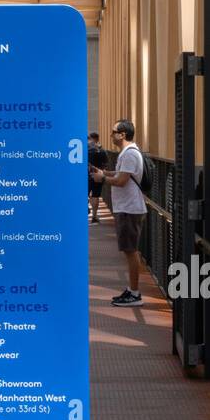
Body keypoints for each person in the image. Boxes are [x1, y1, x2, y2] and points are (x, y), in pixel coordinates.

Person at [90, 119, 147, 308]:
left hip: (129, 208)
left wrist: (102, 178)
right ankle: (132, 289)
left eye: (114, 131)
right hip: (127, 207)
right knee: (128, 250)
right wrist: (105, 172)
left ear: (122, 134)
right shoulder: (128, 153)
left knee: (131, 251)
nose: (111, 134)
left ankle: (135, 293)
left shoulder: (130, 154)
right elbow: (123, 173)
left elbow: (122, 180)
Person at [87, 132, 108, 224]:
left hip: (85, 175)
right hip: (98, 175)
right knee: (95, 195)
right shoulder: (101, 150)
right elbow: (106, 164)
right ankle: (94, 216)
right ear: (98, 139)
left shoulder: (84, 149)